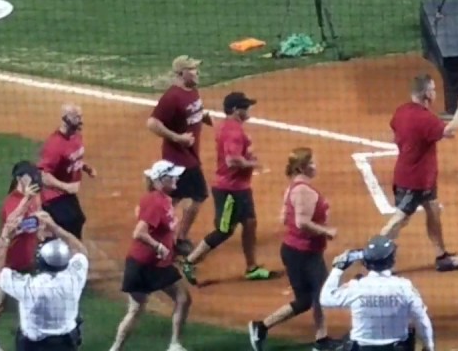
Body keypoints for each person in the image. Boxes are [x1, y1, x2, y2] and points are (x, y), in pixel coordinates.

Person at [249, 148, 340, 351]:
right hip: (303, 253)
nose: (316, 166)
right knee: (317, 295)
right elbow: (301, 222)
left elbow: (284, 218)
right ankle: (320, 339)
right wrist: (326, 231)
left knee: (310, 298)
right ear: (302, 167)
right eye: (313, 163)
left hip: (298, 250)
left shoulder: (294, 188)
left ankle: (263, 327)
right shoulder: (303, 191)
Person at [378, 75, 458, 272]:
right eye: (433, 89)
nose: (435, 92)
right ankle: (373, 256)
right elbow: (450, 130)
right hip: (414, 180)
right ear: (427, 94)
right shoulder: (424, 118)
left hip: (421, 177)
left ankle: (442, 257)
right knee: (400, 220)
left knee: (433, 211)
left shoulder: (401, 111)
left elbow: (395, 127)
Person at [180, 92, 269, 286]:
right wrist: (252, 164)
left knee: (250, 222)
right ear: (236, 110)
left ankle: (251, 267)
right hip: (230, 190)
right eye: (246, 107)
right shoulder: (234, 131)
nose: (248, 110)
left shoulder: (228, 126)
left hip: (239, 188)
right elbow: (232, 160)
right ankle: (190, 261)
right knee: (224, 230)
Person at [109, 161, 193, 351]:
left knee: (138, 309)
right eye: (173, 176)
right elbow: (139, 232)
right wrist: (159, 247)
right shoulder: (156, 202)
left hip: (149, 263)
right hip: (148, 265)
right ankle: (174, 345)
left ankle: (116, 349)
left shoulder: (161, 199)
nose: (177, 178)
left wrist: (173, 249)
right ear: (162, 179)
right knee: (181, 298)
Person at [0, 205, 87, 351]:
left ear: (41, 262)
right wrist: (55, 227)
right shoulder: (74, 277)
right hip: (66, 343)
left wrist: (5, 237)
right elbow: (80, 251)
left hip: (33, 346)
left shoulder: (30, 287)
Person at [320, 237, 435, 350]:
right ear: (392, 260)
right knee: (410, 330)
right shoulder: (404, 287)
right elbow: (421, 319)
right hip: (397, 349)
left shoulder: (357, 287)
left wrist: (338, 268)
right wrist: (429, 346)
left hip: (363, 349)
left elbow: (325, 299)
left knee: (348, 339)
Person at [146, 55, 210, 258]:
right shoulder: (172, 97)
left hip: (188, 155)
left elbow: (191, 111)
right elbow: (152, 123)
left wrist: (203, 116)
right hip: (179, 159)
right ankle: (178, 239)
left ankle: (158, 237)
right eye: (192, 69)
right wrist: (178, 138)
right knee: (199, 195)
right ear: (181, 73)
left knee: (173, 199)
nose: (196, 72)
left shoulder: (192, 90)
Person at [0, 164, 43, 347]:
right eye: (31, 177)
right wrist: (27, 200)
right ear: (20, 179)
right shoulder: (13, 200)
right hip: (8, 264)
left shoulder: (35, 197)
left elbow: (38, 220)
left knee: (33, 304)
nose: (35, 180)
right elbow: (11, 224)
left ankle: (32, 339)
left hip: (28, 262)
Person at [38, 105, 95, 241]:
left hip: (66, 194)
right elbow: (44, 176)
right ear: (65, 118)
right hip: (53, 196)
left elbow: (73, 159)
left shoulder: (76, 136)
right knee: (68, 224)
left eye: (81, 116)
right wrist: (65, 187)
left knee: (78, 220)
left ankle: (73, 252)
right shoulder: (54, 145)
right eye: (77, 117)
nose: (81, 121)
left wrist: (87, 168)